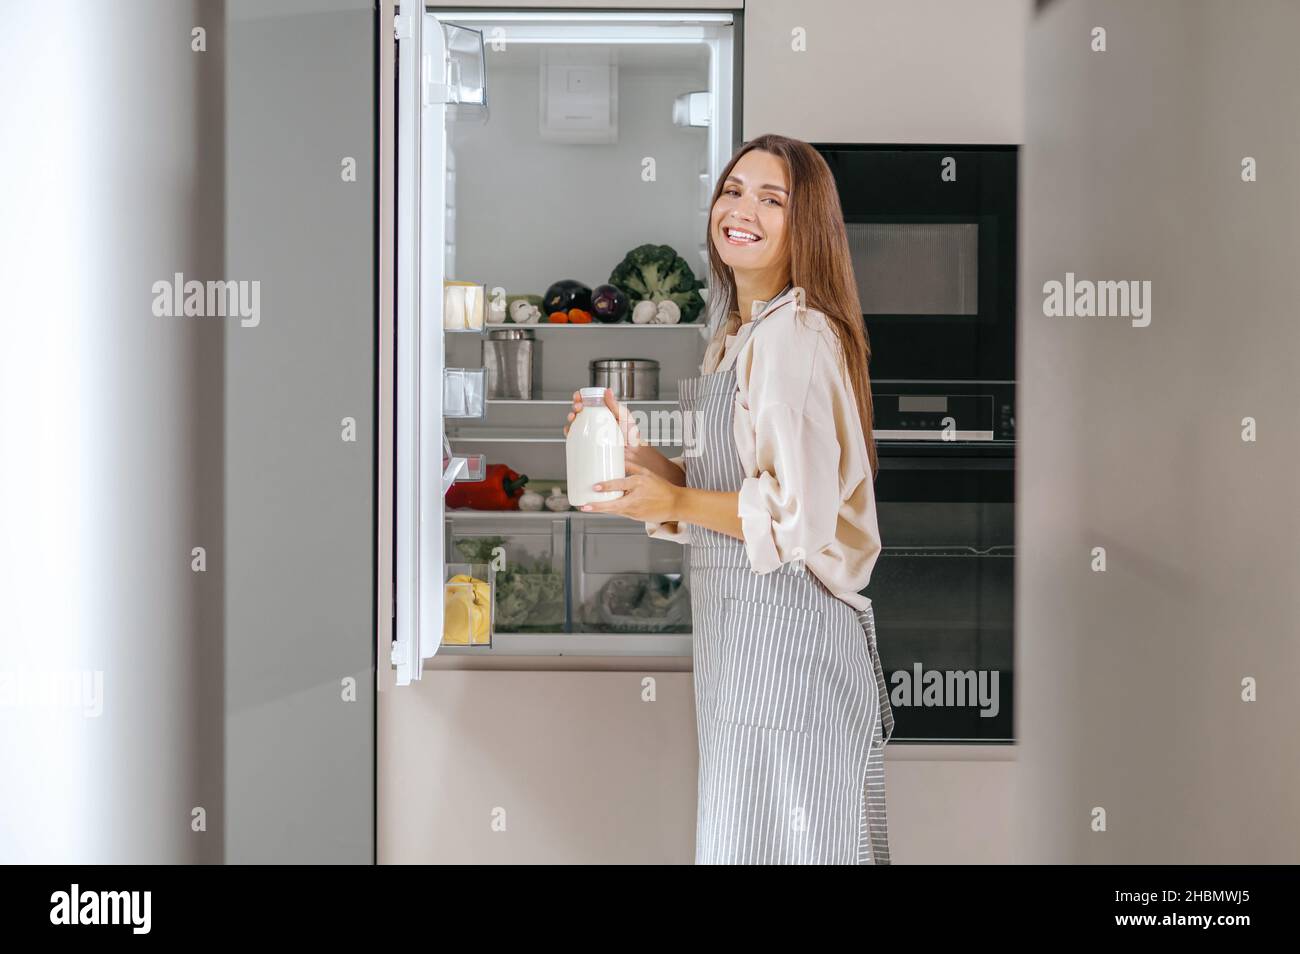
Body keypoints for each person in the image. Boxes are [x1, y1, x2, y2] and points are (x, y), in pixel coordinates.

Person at [563, 134, 892, 864]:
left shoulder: (796, 336)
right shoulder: (740, 337)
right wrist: (630, 452)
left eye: (771, 199)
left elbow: (792, 515)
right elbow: (719, 491)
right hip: (745, 656)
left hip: (791, 651)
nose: (740, 209)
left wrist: (668, 495)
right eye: (733, 190)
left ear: (804, 225)